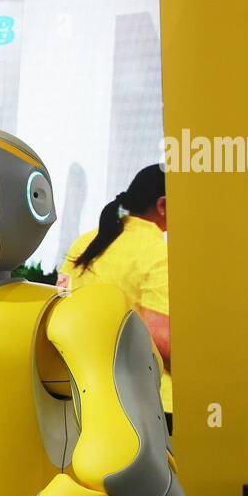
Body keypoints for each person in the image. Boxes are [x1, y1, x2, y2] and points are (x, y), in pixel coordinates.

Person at [58, 164, 172, 431]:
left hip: (83, 393)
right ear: (163, 205)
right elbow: (162, 340)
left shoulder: (84, 243)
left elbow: (59, 305)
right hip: (148, 405)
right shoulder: (157, 252)